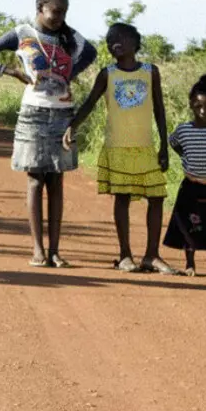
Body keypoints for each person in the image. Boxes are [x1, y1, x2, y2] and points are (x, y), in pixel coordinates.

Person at [0, 0, 97, 266]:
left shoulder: (69, 38)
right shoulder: (22, 34)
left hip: (63, 115)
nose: (60, 17)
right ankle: (38, 250)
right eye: (55, 11)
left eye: (64, 12)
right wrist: (12, 72)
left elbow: (91, 53)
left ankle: (55, 251)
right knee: (35, 180)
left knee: (57, 182)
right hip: (32, 115)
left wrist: (67, 74)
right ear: (40, 8)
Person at [64, 23, 174, 274]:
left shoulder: (150, 72)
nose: (114, 41)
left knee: (157, 197)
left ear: (136, 42)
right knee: (122, 198)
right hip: (118, 147)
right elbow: (90, 102)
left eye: (120, 37)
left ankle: (152, 255)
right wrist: (72, 126)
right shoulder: (108, 74)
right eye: (109, 38)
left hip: (145, 147)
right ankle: (125, 255)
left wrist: (164, 147)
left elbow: (159, 109)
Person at [162, 74, 206, 277]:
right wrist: (189, 156)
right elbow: (175, 143)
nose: (203, 111)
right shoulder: (184, 130)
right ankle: (190, 264)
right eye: (198, 106)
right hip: (191, 186)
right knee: (189, 225)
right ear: (191, 105)